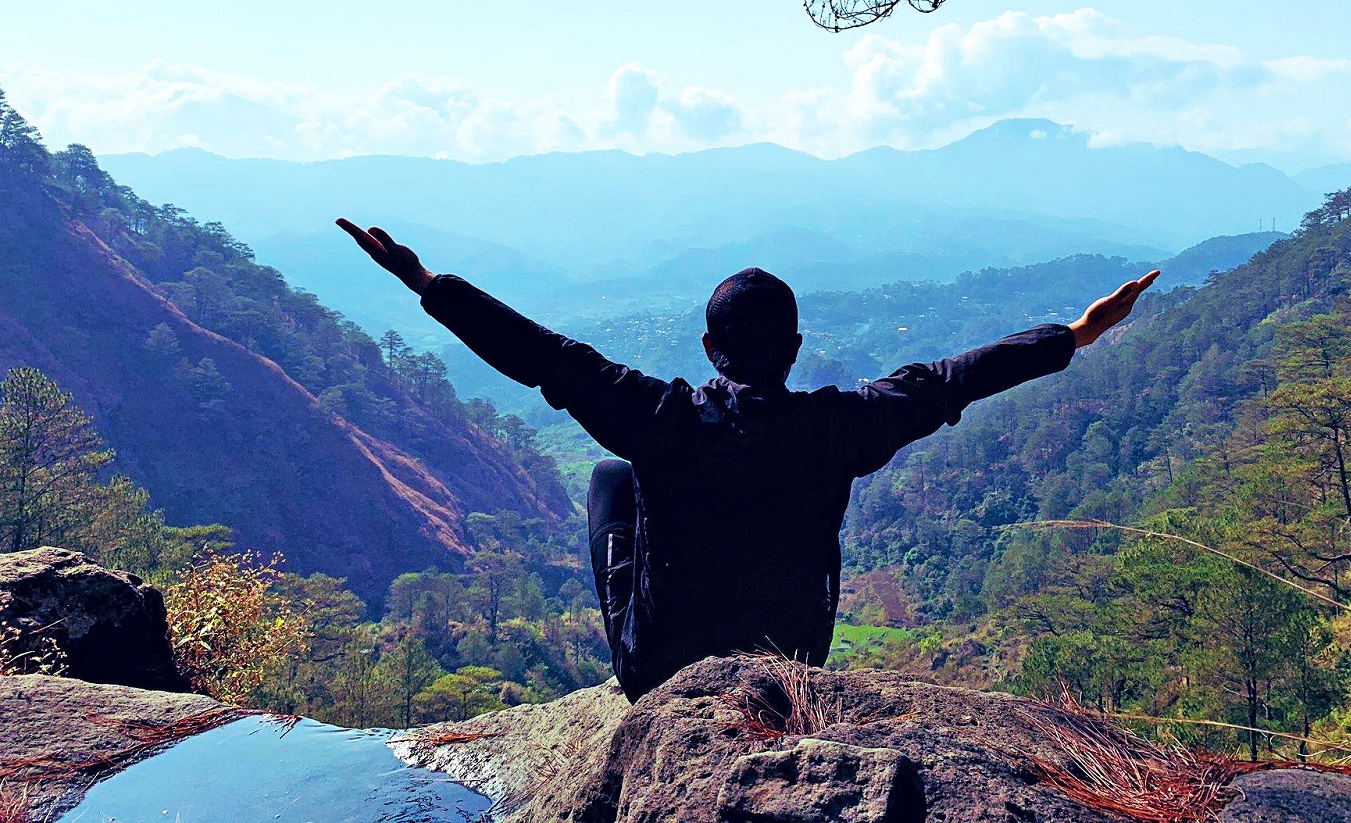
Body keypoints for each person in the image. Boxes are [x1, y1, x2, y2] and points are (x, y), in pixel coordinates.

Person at [338, 217, 1158, 702]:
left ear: (708, 347)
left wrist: (425, 282)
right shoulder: (842, 426)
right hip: (792, 663)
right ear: (796, 349)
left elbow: (548, 357)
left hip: (662, 670)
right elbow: (954, 380)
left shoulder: (661, 418)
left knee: (612, 478)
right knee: (629, 474)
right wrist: (1076, 335)